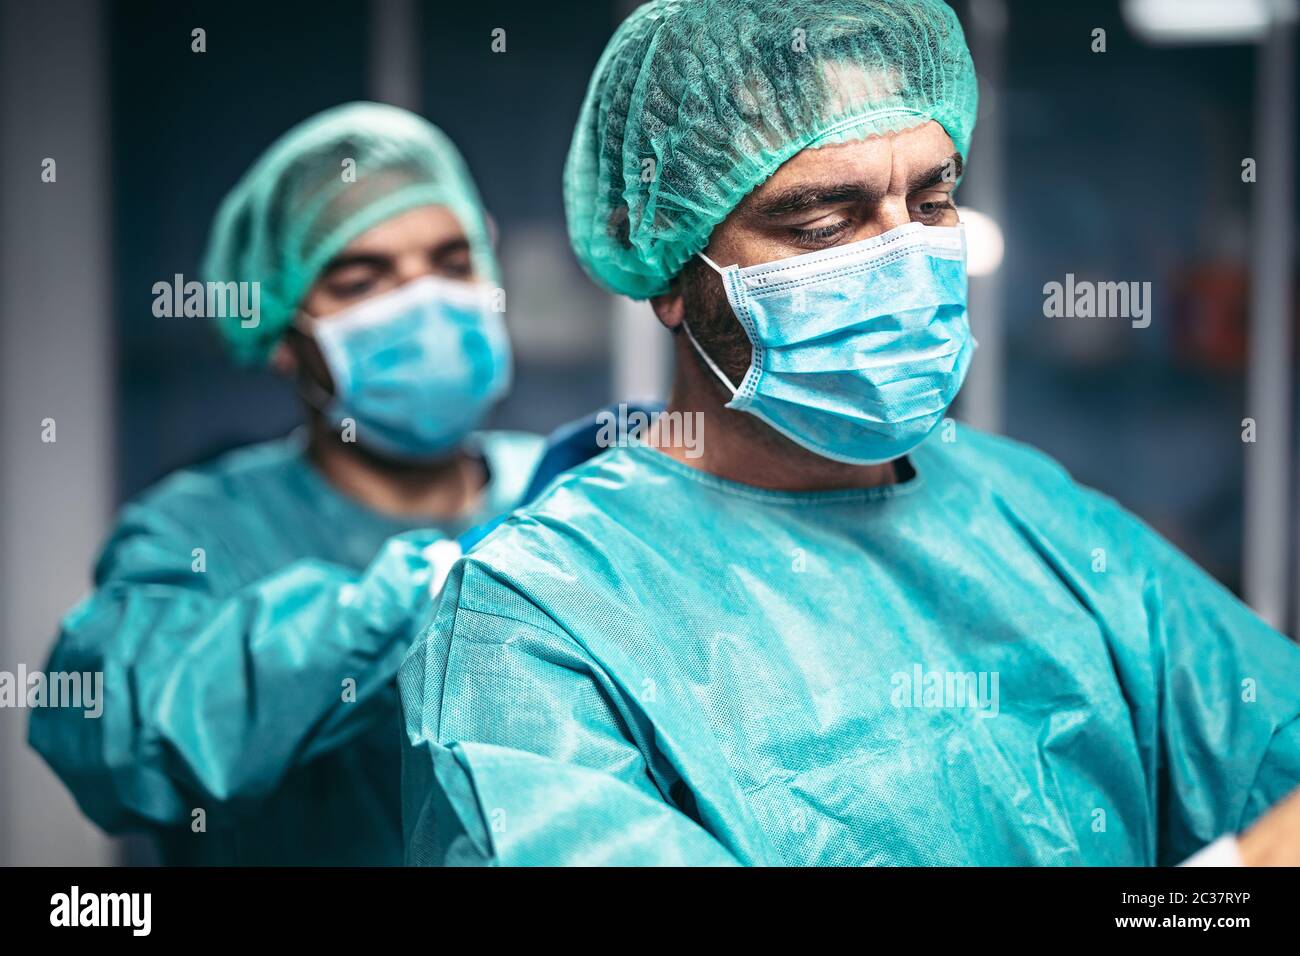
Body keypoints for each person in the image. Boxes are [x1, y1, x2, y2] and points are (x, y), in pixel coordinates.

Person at [399, 0, 1300, 866]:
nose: (902, 258)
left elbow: (1269, 739)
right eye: (826, 225)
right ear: (670, 267)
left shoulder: (1025, 506)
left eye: (933, 203)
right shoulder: (534, 625)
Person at [30, 102, 543, 865]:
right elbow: (118, 735)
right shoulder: (201, 531)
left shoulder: (558, 488)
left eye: (452, 263)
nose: (425, 305)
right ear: (281, 333)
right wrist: (404, 602)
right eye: (364, 280)